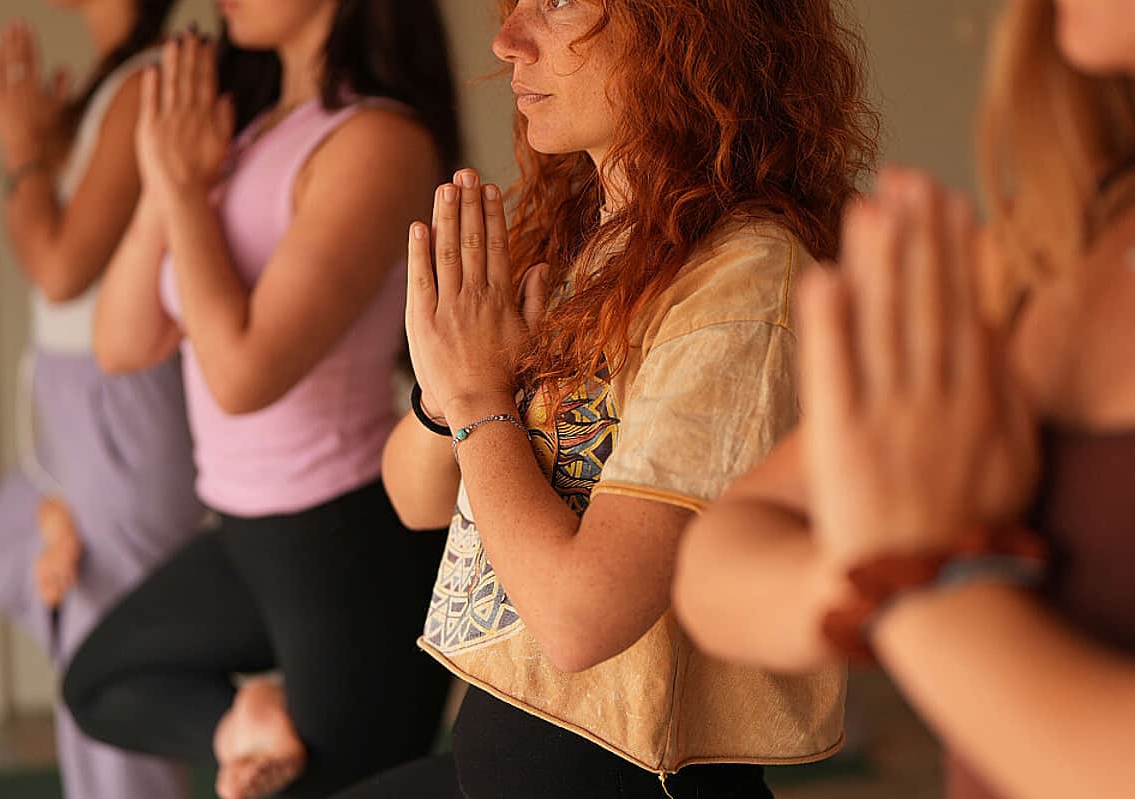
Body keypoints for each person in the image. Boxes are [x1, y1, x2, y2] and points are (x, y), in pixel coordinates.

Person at [340, 1, 878, 796]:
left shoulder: (743, 276)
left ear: (693, 27)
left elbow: (577, 621)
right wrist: (449, 387)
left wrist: (479, 394)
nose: (507, 39)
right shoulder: (577, 229)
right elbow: (416, 496)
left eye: (559, 1)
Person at [673, 2, 1135, 797]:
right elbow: (719, 567)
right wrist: (879, 564)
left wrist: (919, 582)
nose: (508, 46)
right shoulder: (1050, 246)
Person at [61, 2, 462, 798]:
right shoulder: (245, 135)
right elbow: (122, 342)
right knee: (100, 682)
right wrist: (164, 180)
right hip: (244, 528)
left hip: (346, 539)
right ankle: (243, 715)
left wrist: (182, 192)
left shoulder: (378, 141)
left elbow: (244, 376)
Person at [0, 3, 204, 798]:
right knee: (33, 574)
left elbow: (60, 266)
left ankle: (234, 720)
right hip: (79, 401)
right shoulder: (116, 85)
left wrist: (22, 151)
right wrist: (40, 145)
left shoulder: (143, 84)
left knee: (108, 666)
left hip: (118, 398)